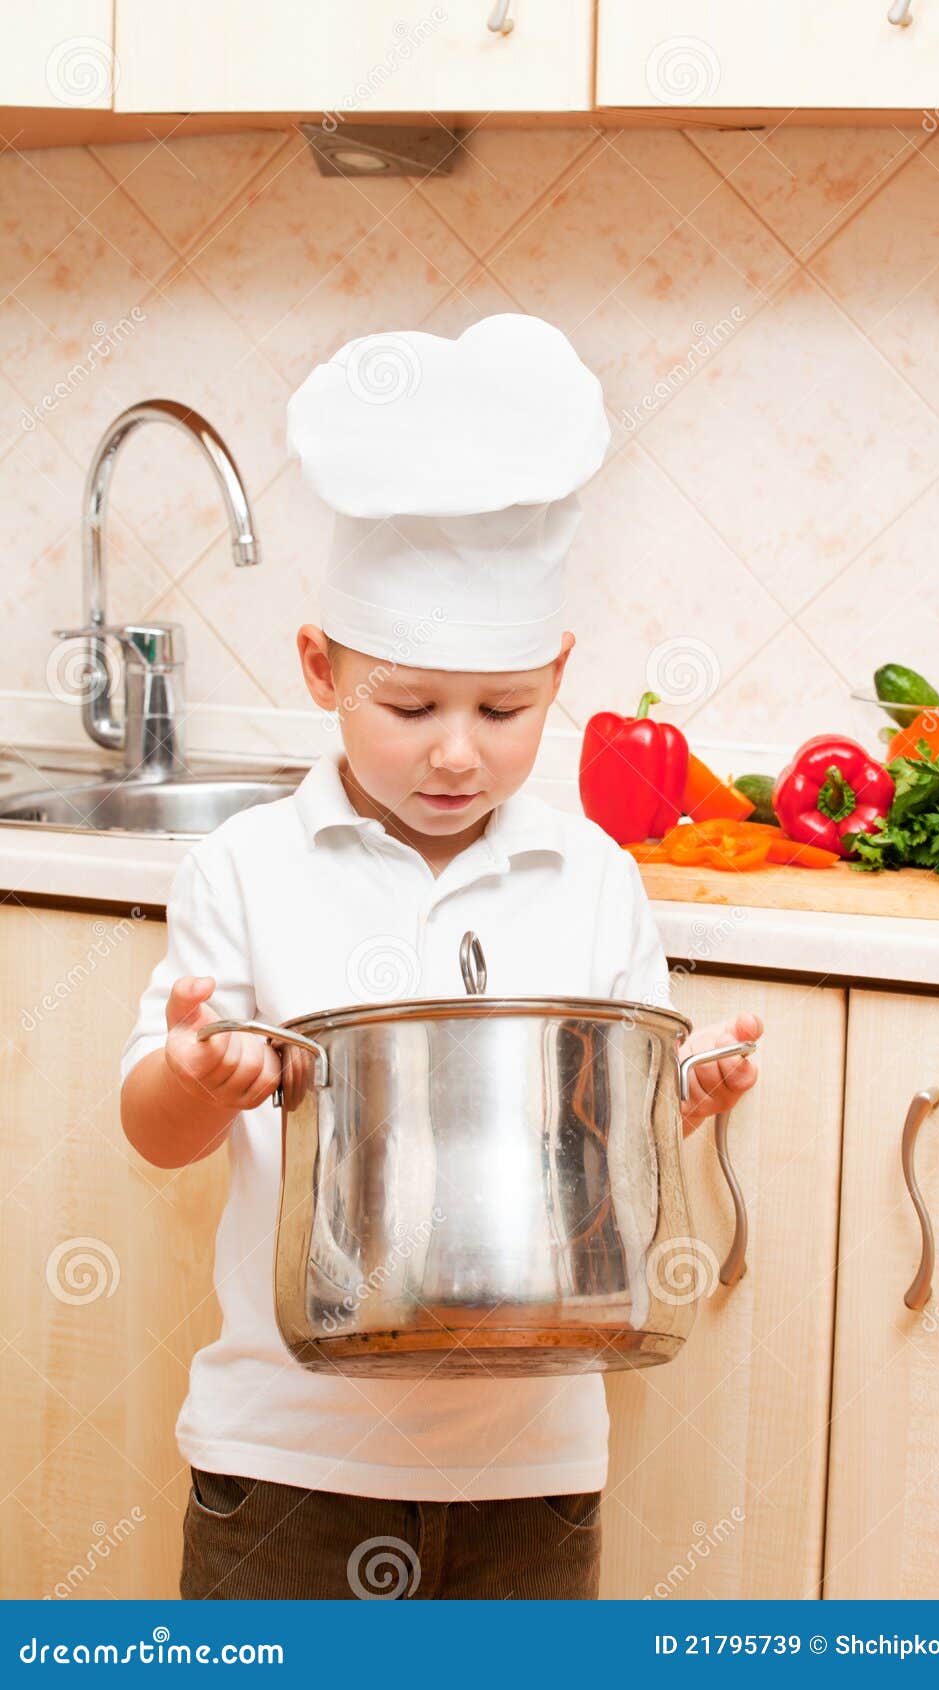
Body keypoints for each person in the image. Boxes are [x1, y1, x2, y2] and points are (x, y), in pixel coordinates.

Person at [119, 313, 762, 1601]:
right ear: (321, 667)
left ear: (558, 674)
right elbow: (156, 1131)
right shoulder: (246, 865)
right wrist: (197, 1072)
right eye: (410, 708)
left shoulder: (593, 879)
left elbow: (609, 1147)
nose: (458, 752)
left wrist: (682, 1100)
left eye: (506, 709)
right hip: (286, 1453)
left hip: (535, 1468)